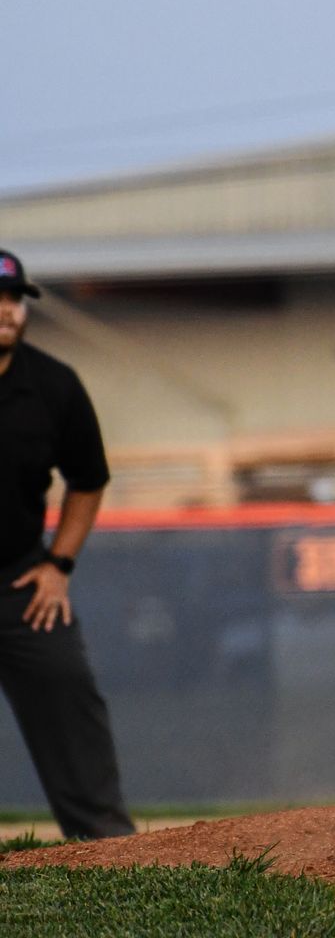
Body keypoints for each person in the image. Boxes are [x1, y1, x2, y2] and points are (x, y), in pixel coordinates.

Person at [0, 249, 135, 839]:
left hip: (19, 579)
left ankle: (108, 850)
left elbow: (88, 480)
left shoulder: (54, 385)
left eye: (12, 300)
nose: (5, 311)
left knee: (67, 689)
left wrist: (59, 564)